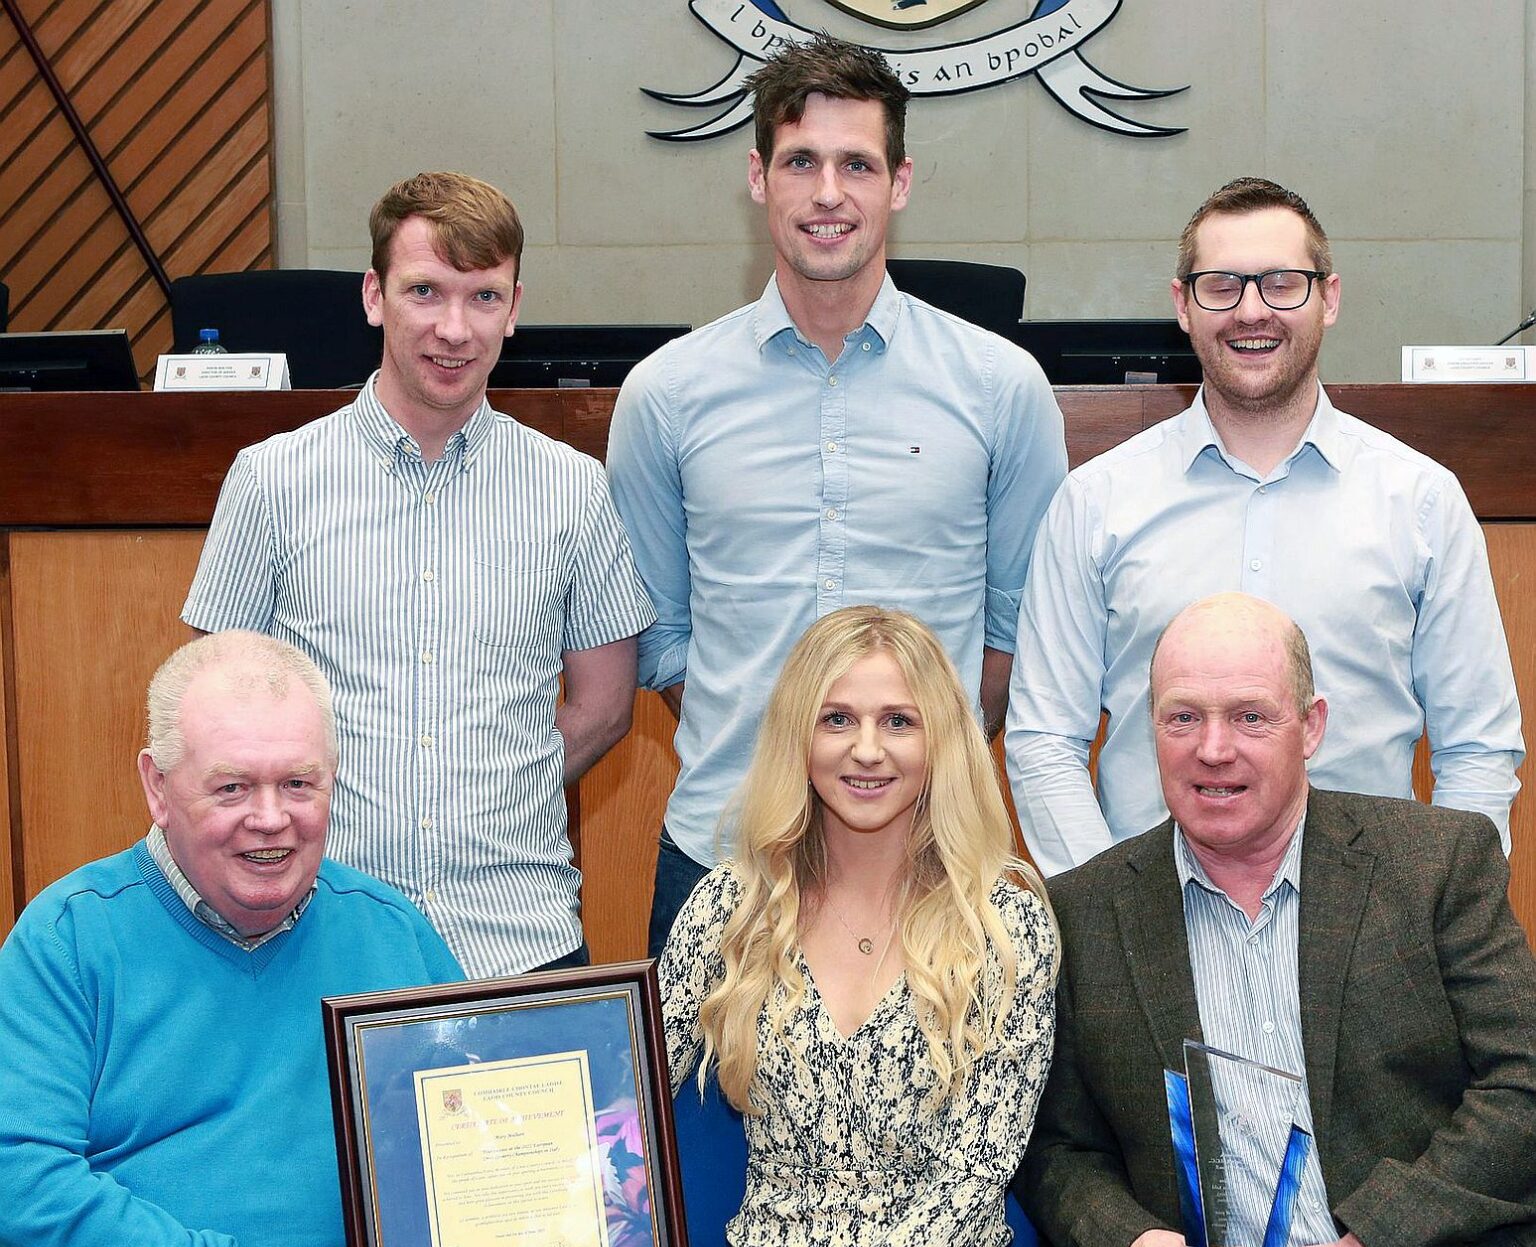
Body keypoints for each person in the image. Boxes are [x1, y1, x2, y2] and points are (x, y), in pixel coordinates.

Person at [1018, 593, 1536, 1247]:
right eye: (1184, 716)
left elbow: (1524, 1088)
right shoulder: (1085, 912)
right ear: (1150, 728)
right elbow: (1055, 1147)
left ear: (1311, 724)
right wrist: (1130, 1244)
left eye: (1249, 716)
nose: (1212, 748)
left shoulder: (1435, 863)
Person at [607, 36, 1067, 955]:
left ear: (900, 182)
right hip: (724, 861)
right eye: (801, 162)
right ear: (757, 177)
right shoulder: (665, 395)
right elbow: (661, 638)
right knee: (701, 1104)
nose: (828, 193)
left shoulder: (1001, 389)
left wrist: (897, 768)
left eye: (857, 163)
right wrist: (776, 752)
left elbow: (1014, 638)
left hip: (935, 871)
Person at [183, 171, 655, 979]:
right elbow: (212, 713)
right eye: (425, 290)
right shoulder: (270, 480)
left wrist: (504, 787)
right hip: (317, 942)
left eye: (483, 297)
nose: (453, 328)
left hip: (520, 937)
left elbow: (607, 706)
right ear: (374, 295)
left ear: (514, 308)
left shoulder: (572, 488)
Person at [0, 632, 464, 1247]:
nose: (270, 818)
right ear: (157, 784)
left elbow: (484, 1160)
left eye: (299, 782)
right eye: (232, 786)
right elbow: (26, 1182)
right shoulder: (69, 937)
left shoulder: (398, 941)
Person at [610, 606, 1058, 1247]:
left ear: (942, 742)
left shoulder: (1007, 925)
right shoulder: (730, 909)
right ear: (797, 737)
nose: (866, 749)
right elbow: (618, 1106)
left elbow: (970, 1181)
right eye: (837, 719)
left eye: (898, 721)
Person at [1006, 176, 1522, 878]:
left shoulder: (1421, 501)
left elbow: (1478, 749)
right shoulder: (1095, 503)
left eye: (1283, 283)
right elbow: (1044, 742)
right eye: (1221, 286)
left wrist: (1430, 909)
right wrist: (1111, 917)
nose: (1252, 311)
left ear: (1329, 298)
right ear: (1182, 306)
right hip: (1154, 930)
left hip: (1369, 929)